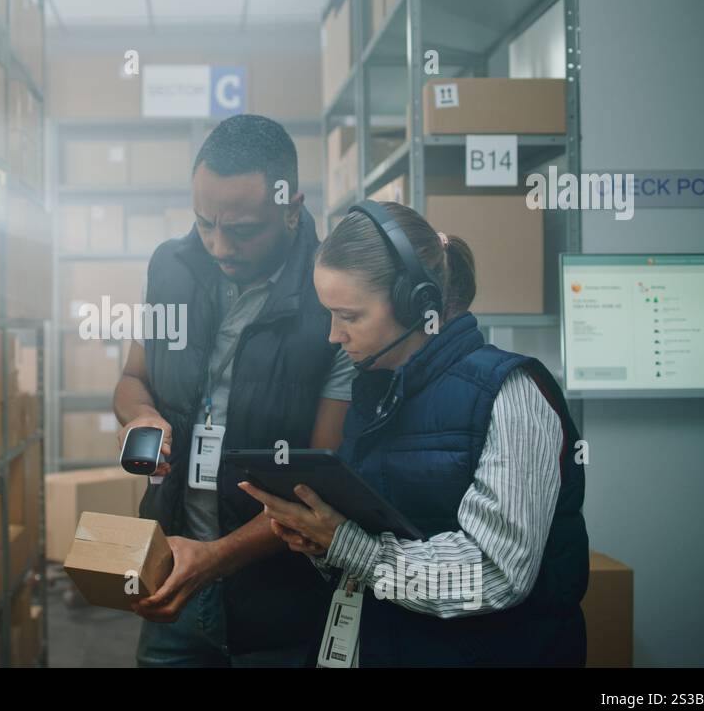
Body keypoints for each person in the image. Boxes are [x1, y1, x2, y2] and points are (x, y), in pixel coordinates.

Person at [240, 200, 589, 667]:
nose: (333, 336)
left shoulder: (510, 393)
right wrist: (322, 542)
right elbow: (381, 536)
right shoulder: (375, 390)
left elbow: (496, 573)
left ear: (416, 304)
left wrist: (350, 545)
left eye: (349, 316)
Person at [113, 114, 355, 667]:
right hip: (171, 575)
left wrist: (217, 558)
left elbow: (323, 478)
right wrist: (142, 415)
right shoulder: (170, 268)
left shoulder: (334, 298)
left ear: (291, 208)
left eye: (242, 229)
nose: (219, 245)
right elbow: (132, 379)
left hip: (280, 609)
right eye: (204, 223)